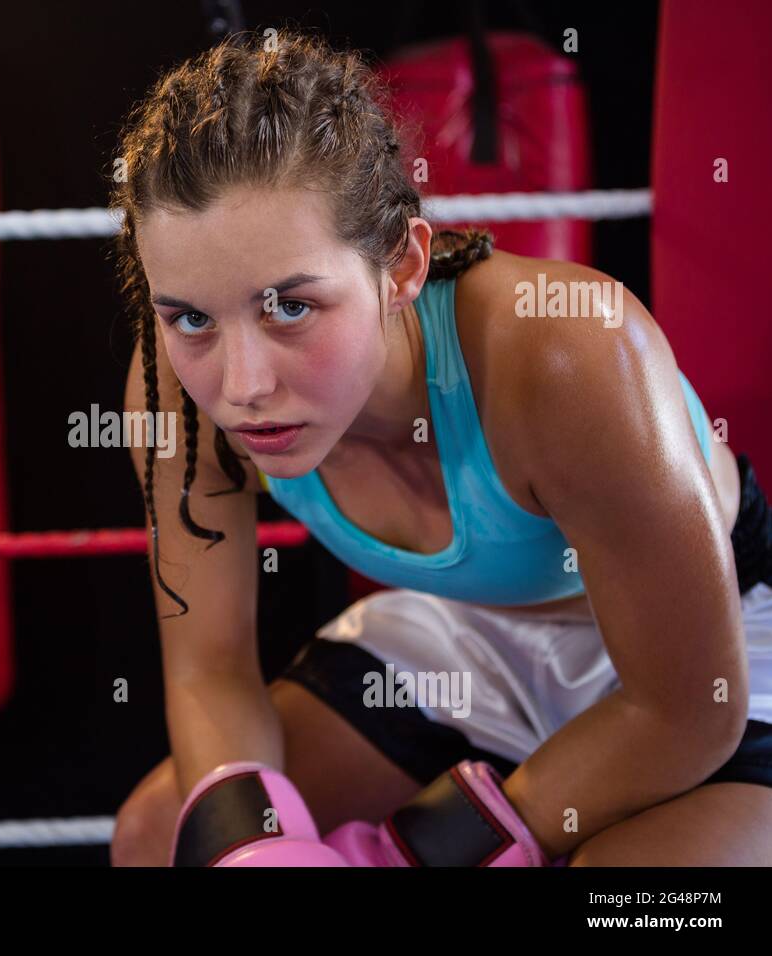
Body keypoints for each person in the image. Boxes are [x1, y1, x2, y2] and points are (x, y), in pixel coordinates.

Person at [107, 28, 772, 866]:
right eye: (191, 317)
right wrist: (254, 852)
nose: (242, 384)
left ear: (402, 264)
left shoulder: (565, 350)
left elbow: (689, 711)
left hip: (714, 649)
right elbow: (209, 675)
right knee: (154, 837)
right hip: (470, 640)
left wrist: (413, 851)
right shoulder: (177, 395)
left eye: (291, 306)